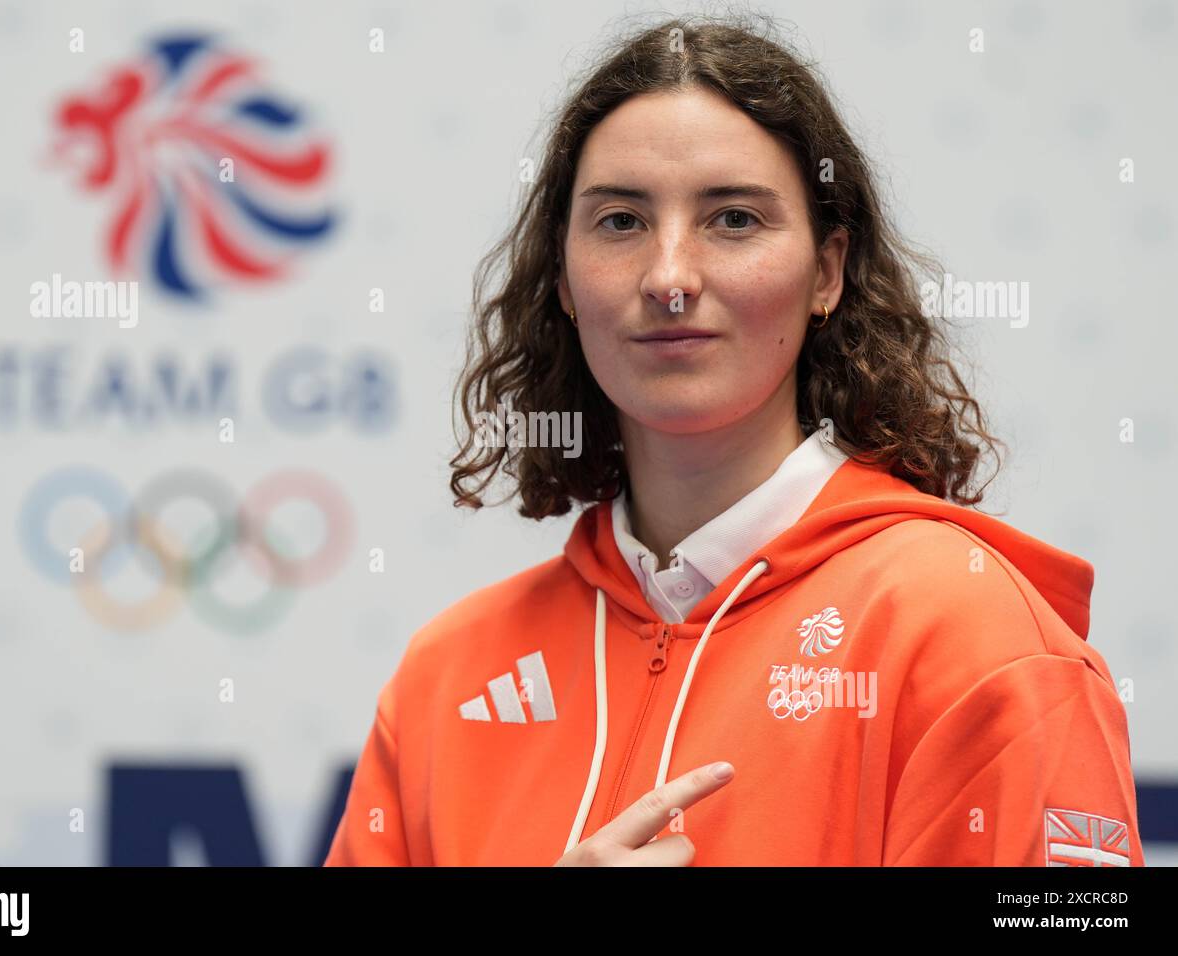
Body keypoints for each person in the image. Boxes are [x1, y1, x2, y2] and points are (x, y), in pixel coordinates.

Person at [323, 14, 1143, 867]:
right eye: (620, 222)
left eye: (734, 220)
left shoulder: (974, 639)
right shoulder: (450, 676)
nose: (670, 278)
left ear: (827, 271)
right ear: (562, 280)